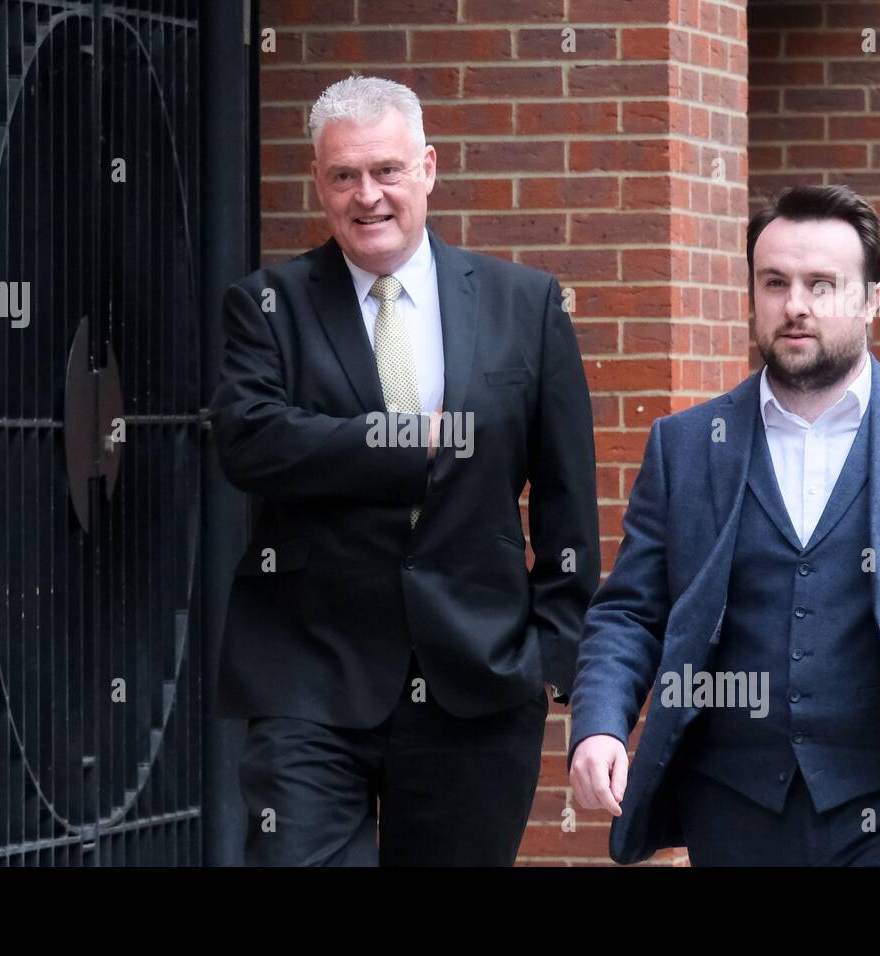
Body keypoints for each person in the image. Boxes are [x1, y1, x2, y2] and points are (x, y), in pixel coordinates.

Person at [569, 183, 880, 866]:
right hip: (737, 808)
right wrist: (598, 726)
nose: (795, 305)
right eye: (774, 283)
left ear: (872, 301)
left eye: (821, 284)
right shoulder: (686, 444)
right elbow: (630, 611)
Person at [212, 76, 599, 865]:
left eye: (386, 170)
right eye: (344, 175)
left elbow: (567, 497)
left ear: (427, 167)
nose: (368, 196)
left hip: (478, 678)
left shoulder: (525, 306)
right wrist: (396, 442)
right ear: (318, 183)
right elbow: (249, 442)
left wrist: (552, 657)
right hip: (308, 679)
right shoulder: (266, 306)